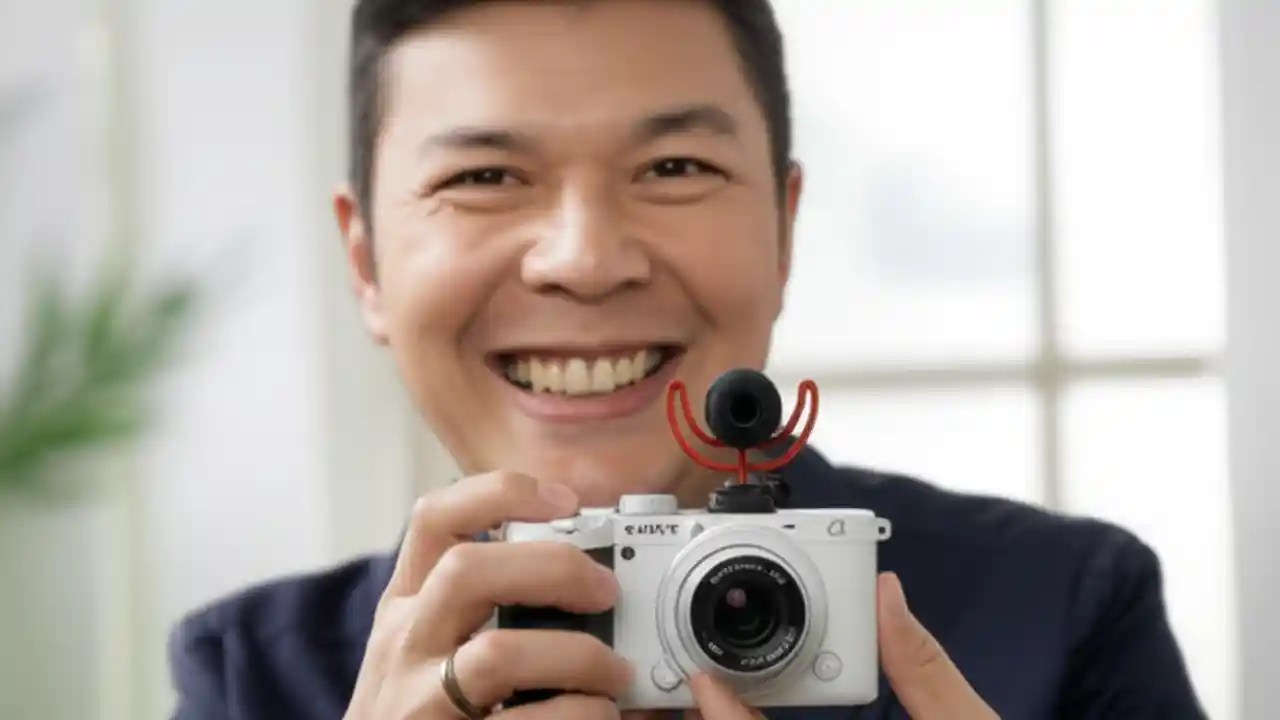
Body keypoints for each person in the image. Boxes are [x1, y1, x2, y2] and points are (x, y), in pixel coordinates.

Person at [168, 1, 1208, 718]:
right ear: (366, 263)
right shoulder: (249, 679)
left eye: (673, 167)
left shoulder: (1066, 616)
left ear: (783, 230)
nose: (582, 260)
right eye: (484, 175)